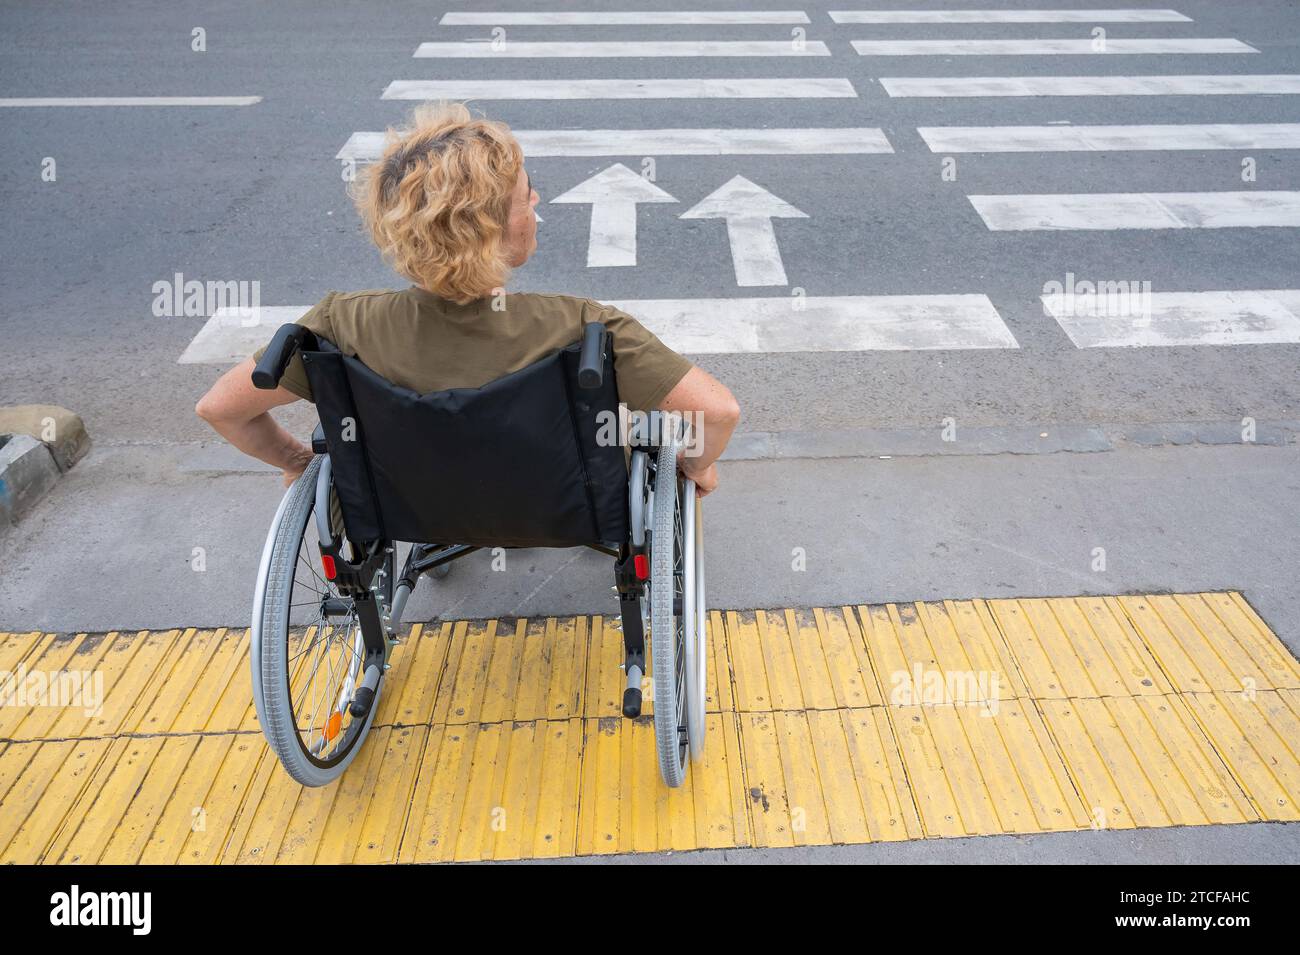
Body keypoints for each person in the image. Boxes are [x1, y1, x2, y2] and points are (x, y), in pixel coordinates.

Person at [196, 102, 739, 496]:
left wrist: (296, 461)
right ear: (493, 228)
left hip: (407, 504)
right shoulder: (585, 328)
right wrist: (698, 467)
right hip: (570, 502)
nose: (536, 199)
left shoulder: (339, 326)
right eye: (527, 195)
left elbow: (221, 409)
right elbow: (716, 414)